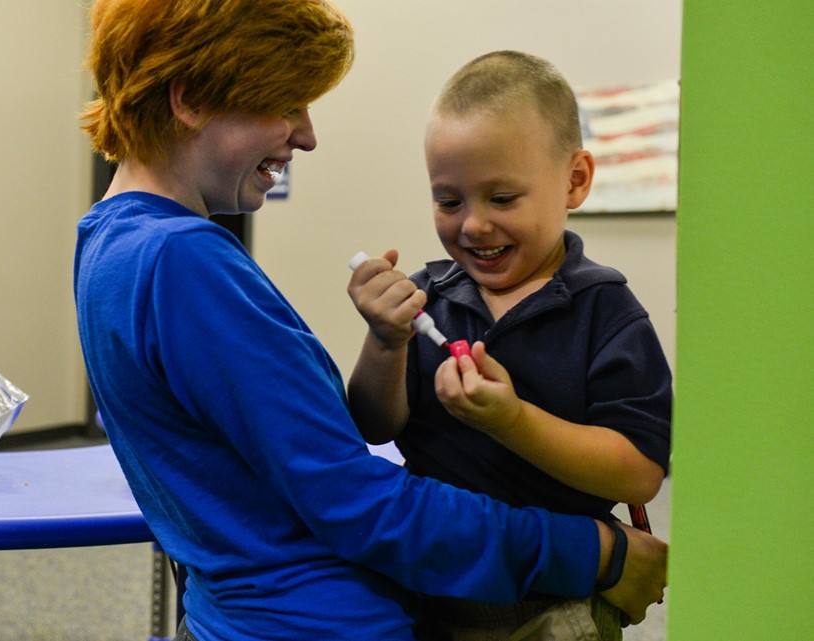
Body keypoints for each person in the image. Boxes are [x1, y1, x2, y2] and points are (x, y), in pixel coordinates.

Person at [74, 3, 666, 640]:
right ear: (189, 99)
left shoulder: (108, 244)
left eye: (503, 197)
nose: (307, 135)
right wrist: (594, 553)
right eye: (288, 104)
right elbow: (352, 494)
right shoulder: (179, 259)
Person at [346, 51, 673, 641]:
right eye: (449, 201)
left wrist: (513, 420)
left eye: (501, 199)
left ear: (574, 181)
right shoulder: (427, 298)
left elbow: (639, 475)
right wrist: (384, 341)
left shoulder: (607, 313)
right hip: (429, 582)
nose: (472, 225)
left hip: (556, 600)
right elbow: (375, 424)